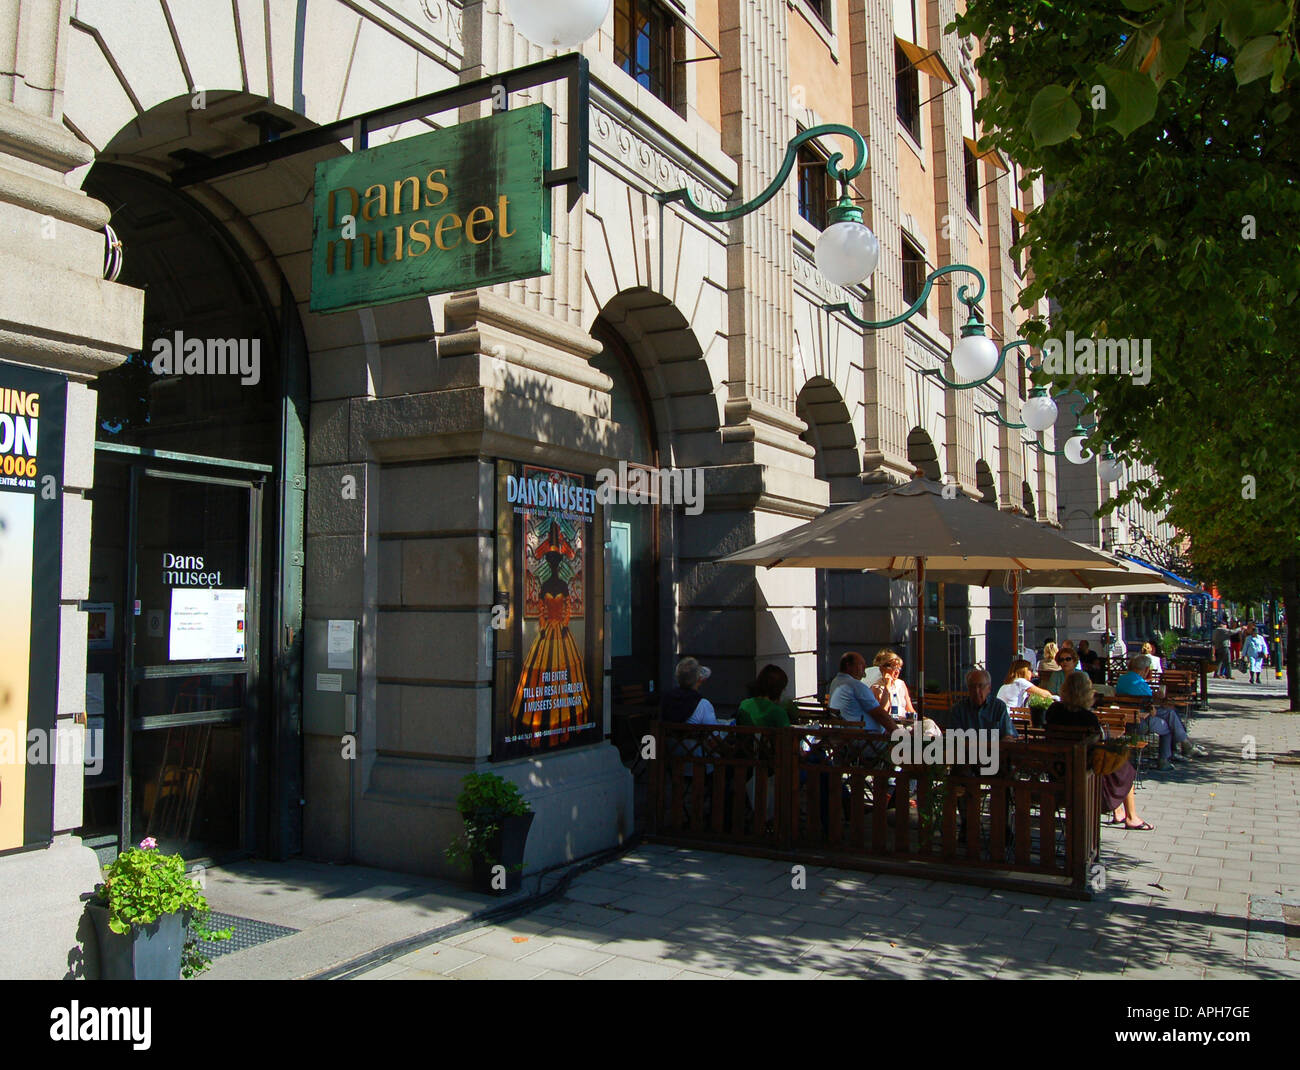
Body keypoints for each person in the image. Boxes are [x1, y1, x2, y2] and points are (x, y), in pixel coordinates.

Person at [1045, 670, 1152, 830]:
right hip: (1084, 773)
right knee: (1125, 767)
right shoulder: (1088, 718)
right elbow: (1098, 742)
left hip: (1057, 770)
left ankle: (1119, 812)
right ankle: (1131, 817)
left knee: (1116, 766)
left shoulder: (1053, 711)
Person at [1115, 654, 1202, 770]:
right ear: (1146, 669)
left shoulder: (1123, 679)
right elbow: (1151, 709)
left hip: (1124, 717)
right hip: (1140, 721)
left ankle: (1182, 746)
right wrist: (1157, 697)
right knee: (1168, 722)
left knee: (1169, 715)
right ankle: (1168, 757)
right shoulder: (1140, 683)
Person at [828, 652, 898, 733]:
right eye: (861, 664)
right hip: (865, 738)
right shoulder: (855, 686)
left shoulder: (836, 681)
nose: (865, 668)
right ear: (848, 666)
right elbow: (880, 714)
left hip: (845, 735)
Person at [946, 669, 1018, 739]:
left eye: (981, 686)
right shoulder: (958, 709)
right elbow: (953, 739)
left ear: (989, 688)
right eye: (972, 687)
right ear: (968, 688)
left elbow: (1008, 734)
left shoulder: (998, 707)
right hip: (967, 750)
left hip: (994, 750)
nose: (976, 691)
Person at [662, 657, 720, 725]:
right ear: (699, 680)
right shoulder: (703, 705)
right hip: (694, 735)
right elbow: (714, 733)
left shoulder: (666, 699)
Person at [868, 651, 916, 720]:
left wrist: (918, 721)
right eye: (894, 668)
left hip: (906, 721)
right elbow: (883, 712)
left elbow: (910, 709)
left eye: (899, 668)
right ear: (883, 669)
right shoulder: (877, 687)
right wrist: (888, 685)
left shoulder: (901, 684)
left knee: (927, 724)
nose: (897, 671)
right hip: (892, 724)